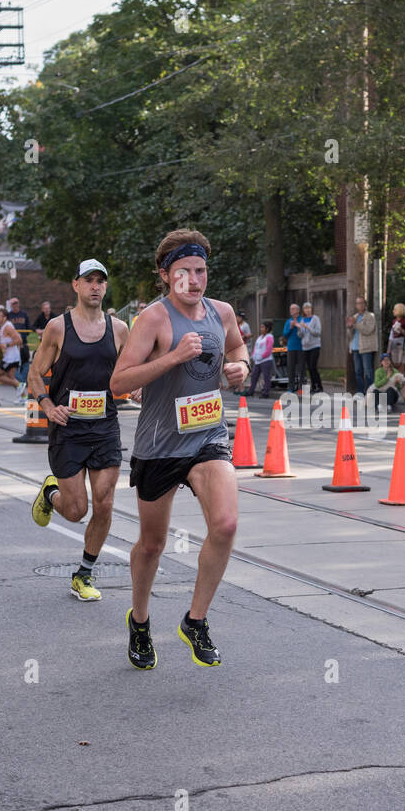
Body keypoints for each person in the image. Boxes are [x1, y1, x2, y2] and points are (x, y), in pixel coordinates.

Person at [109, 229, 250, 670]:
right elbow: (119, 382)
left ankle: (195, 620)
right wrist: (171, 358)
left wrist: (240, 366)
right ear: (166, 276)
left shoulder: (222, 312)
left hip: (208, 435)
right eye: (183, 272)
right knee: (152, 545)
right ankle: (140, 620)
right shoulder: (153, 320)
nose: (194, 279)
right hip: (159, 445)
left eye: (201, 271)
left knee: (225, 525)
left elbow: (239, 346)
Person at [29, 259, 133, 605]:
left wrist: (139, 388)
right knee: (76, 511)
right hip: (68, 428)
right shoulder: (58, 328)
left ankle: (83, 574)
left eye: (101, 281)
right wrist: (47, 405)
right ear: (75, 285)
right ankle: (51, 494)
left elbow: (128, 374)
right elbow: (34, 374)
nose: (95, 287)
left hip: (104, 426)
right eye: (88, 280)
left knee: (104, 504)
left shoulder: (119, 329)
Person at [346, 295, 377, 393]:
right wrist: (349, 327)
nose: (359, 305)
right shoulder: (354, 317)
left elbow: (368, 330)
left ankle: (370, 392)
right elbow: (349, 335)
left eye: (361, 303)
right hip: (355, 348)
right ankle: (360, 392)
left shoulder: (370, 316)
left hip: (366, 348)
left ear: (365, 304)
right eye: (358, 303)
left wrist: (355, 324)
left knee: (368, 371)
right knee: (358, 372)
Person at [0, 305, 24, 392]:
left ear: (5, 317)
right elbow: (4, 337)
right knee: (11, 377)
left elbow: (19, 340)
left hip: (10, 358)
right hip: (11, 356)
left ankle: (19, 385)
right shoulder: (4, 326)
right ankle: (22, 397)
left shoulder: (8, 327)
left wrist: (7, 345)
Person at [298, 300, 323, 393]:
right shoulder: (302, 320)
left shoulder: (315, 319)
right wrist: (300, 329)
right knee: (309, 367)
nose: (307, 310)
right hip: (305, 347)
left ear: (311, 309)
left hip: (315, 345)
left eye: (309, 308)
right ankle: (313, 386)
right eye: (305, 308)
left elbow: (317, 332)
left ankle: (319, 386)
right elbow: (300, 335)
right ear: (303, 310)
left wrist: (308, 327)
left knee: (313, 366)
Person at [6, 297, 31, 391]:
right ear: (11, 306)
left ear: (18, 304)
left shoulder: (24, 314)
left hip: (23, 343)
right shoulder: (9, 316)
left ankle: (22, 381)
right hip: (13, 344)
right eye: (13, 304)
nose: (15, 305)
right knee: (14, 363)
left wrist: (24, 335)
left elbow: (29, 327)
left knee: (25, 361)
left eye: (16, 303)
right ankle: (20, 381)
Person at [245, 320, 275, 398]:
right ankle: (251, 391)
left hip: (266, 360)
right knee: (254, 376)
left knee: (266, 377)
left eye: (262, 327)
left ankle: (266, 393)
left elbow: (268, 349)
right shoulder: (260, 337)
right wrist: (253, 355)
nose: (261, 329)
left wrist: (262, 356)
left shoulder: (269, 337)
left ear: (267, 329)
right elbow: (256, 348)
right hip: (258, 361)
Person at [282, 302, 305, 393]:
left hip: (301, 347)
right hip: (291, 347)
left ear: (298, 310)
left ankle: (301, 388)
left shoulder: (302, 320)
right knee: (291, 368)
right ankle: (291, 387)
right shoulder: (288, 321)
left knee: (301, 368)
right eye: (290, 309)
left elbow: (305, 332)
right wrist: (291, 327)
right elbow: (285, 335)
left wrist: (298, 326)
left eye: (293, 309)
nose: (291, 310)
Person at [388, 302, 405, 369]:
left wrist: (401, 330)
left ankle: (402, 379)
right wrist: (388, 349)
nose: (393, 311)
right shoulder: (394, 321)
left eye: (394, 309)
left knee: (401, 366)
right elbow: (391, 336)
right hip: (394, 345)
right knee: (395, 366)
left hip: (403, 345)